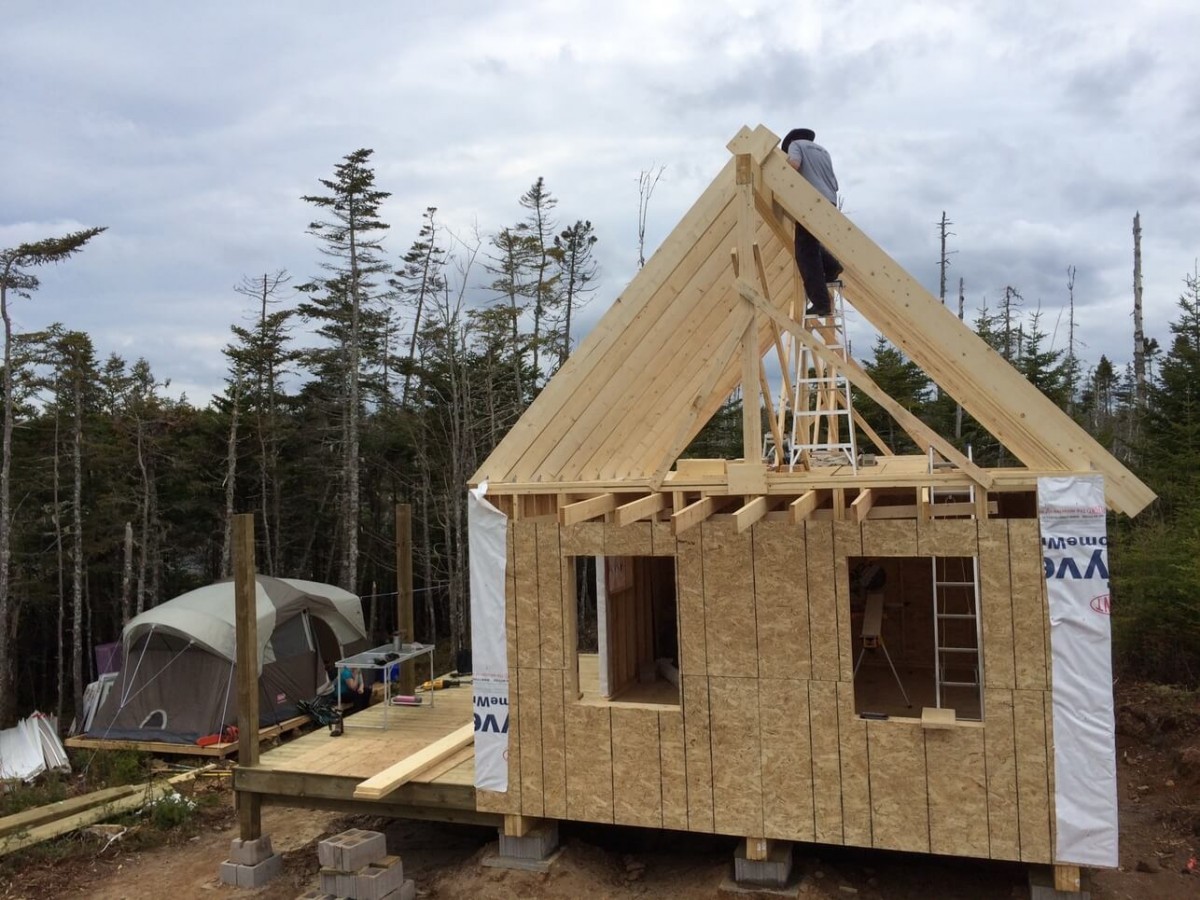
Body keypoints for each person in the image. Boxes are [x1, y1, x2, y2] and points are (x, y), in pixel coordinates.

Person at [781, 127, 843, 316]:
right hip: (829, 201)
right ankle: (832, 267)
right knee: (810, 243)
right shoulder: (823, 151)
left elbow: (794, 165)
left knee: (805, 253)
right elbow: (834, 182)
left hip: (810, 201)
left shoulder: (795, 145)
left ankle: (821, 303)